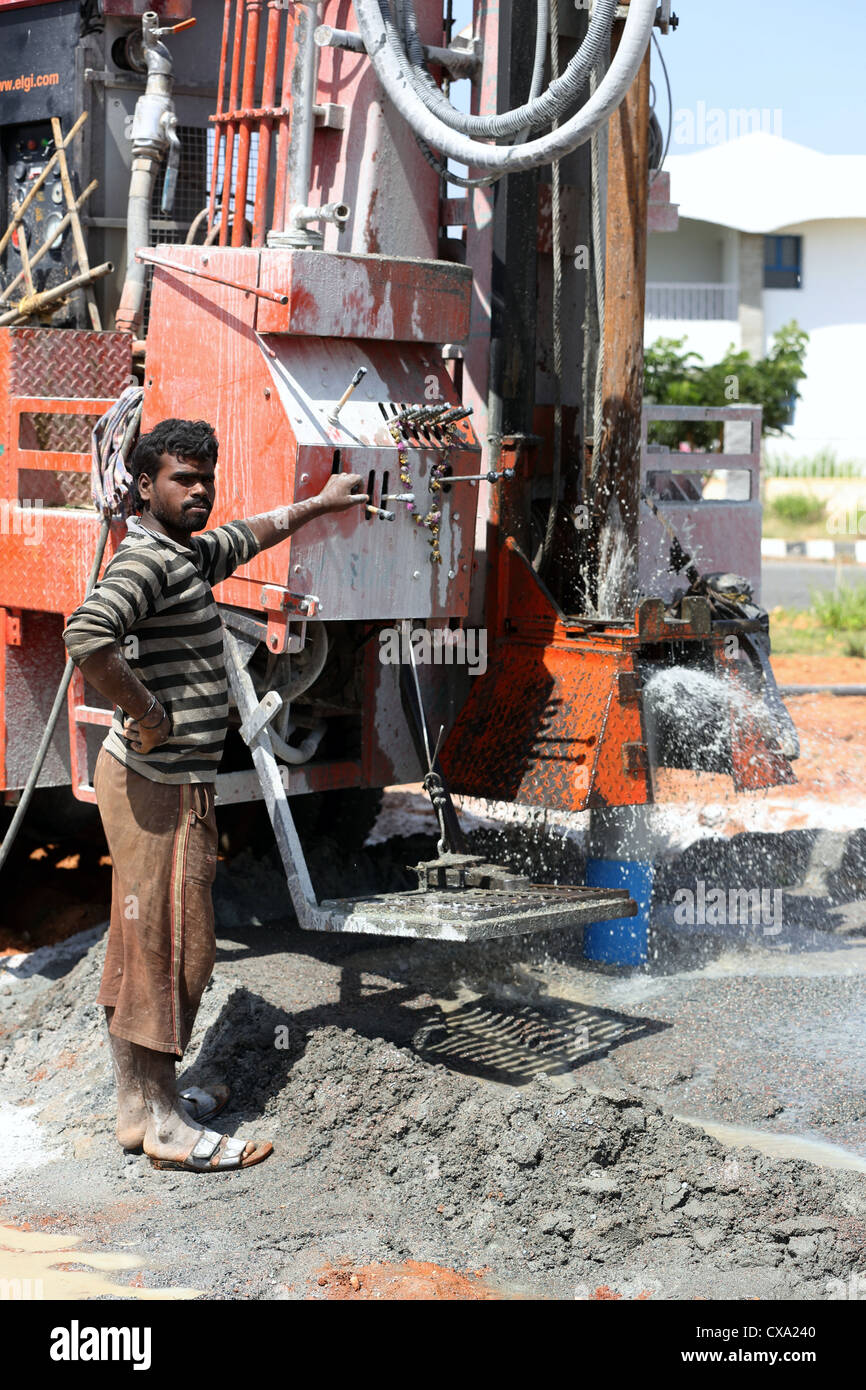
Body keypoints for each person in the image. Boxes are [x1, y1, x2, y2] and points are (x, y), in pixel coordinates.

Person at [63, 417, 367, 1173]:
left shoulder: (185, 554)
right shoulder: (148, 562)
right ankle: (165, 1123)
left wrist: (320, 503)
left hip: (162, 783)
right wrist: (147, 711)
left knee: (146, 946)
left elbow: (248, 535)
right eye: (182, 479)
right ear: (145, 486)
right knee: (175, 954)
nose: (199, 491)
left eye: (206, 477)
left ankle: (140, 1109)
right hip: (156, 787)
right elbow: (87, 635)